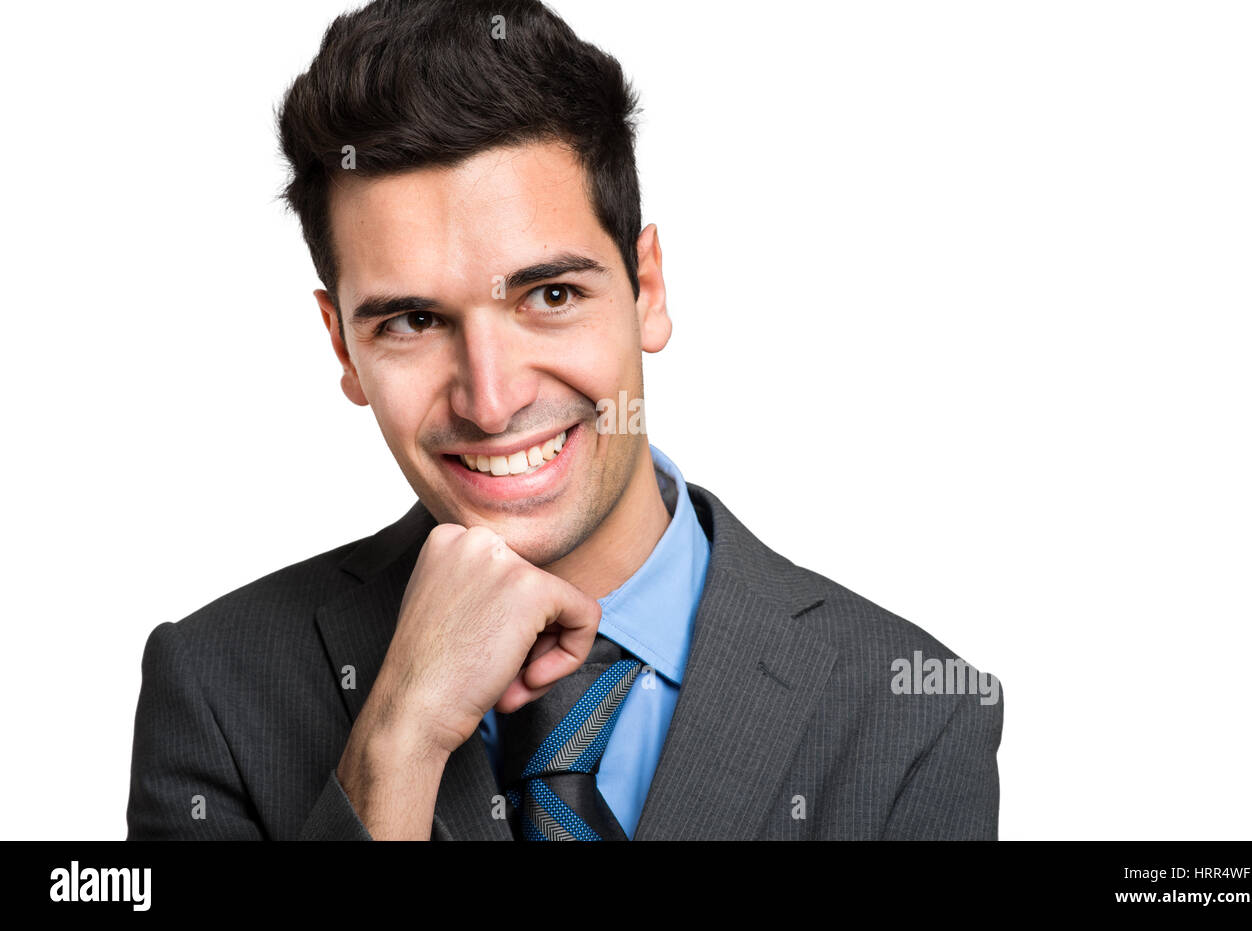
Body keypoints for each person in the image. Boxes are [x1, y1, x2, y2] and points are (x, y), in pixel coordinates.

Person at [126, 0, 1003, 841]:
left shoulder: (911, 715)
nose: (493, 398)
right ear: (343, 347)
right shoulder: (215, 695)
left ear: (647, 289)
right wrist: (398, 738)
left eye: (551, 294)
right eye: (413, 321)